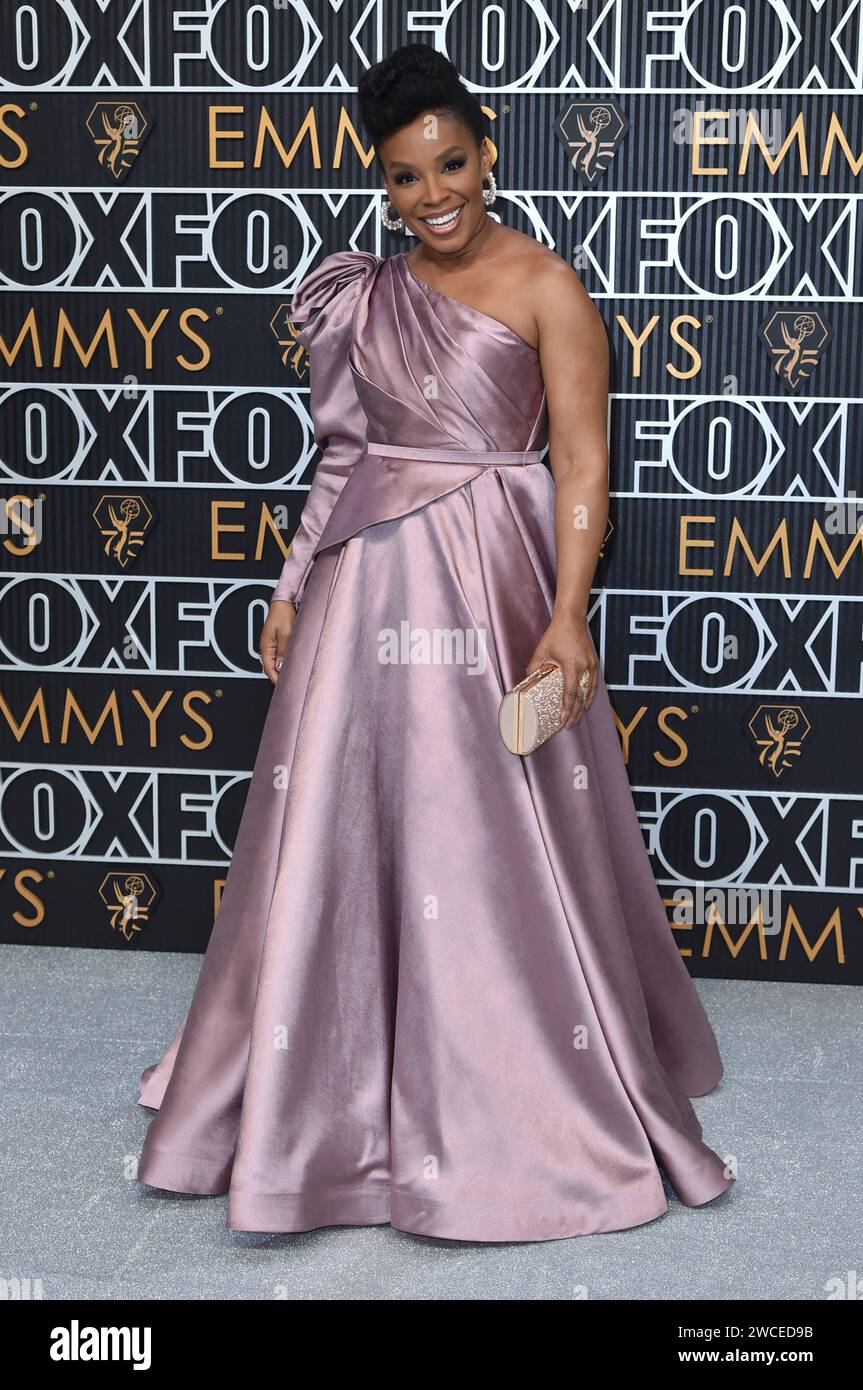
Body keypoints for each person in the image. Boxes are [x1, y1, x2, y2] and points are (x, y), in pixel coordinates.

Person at [135, 43, 735, 1242]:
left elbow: (581, 463)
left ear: (488, 152)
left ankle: (500, 1085)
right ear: (382, 181)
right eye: (405, 177)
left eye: (449, 164)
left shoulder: (545, 286)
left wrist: (566, 615)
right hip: (364, 593)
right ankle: (333, 1090)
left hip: (496, 579)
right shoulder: (364, 293)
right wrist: (295, 579)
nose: (431, 195)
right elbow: (345, 454)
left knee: (484, 827)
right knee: (351, 825)